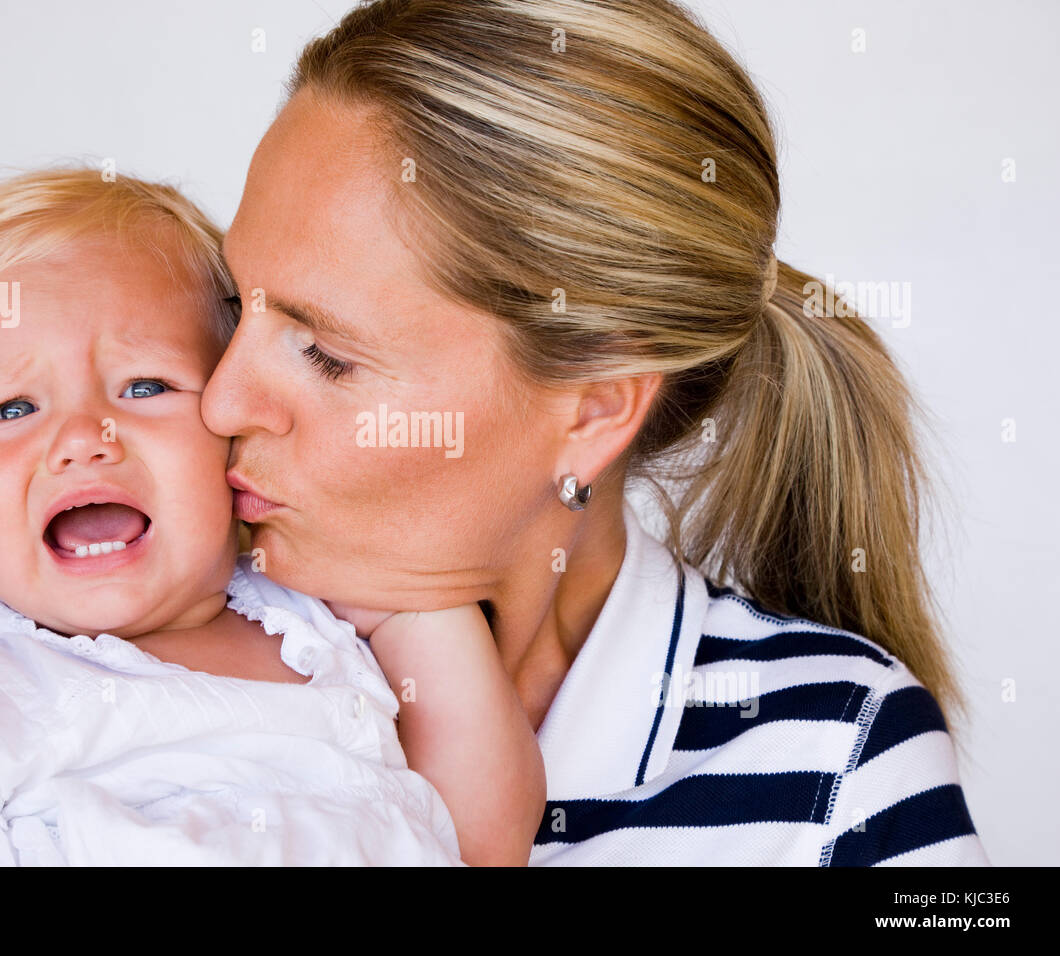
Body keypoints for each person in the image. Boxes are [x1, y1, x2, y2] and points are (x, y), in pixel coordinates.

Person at [200, 0, 990, 865]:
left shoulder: (841, 771)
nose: (219, 402)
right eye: (236, 305)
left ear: (595, 411)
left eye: (324, 356)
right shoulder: (113, 639)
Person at [0, 168, 545, 866]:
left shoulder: (327, 624)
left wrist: (416, 604)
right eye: (11, 409)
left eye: (145, 387)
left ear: (234, 430)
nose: (83, 439)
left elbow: (482, 838)